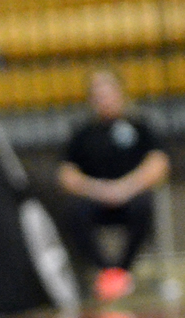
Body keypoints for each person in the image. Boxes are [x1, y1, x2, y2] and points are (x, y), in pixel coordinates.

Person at [58, 68, 172, 302]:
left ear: (120, 94)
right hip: (95, 199)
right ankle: (106, 270)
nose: (105, 100)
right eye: (99, 95)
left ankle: (122, 270)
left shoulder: (140, 127)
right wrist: (98, 189)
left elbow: (159, 163)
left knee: (144, 205)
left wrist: (126, 188)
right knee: (73, 211)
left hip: (131, 197)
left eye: (109, 94)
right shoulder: (82, 134)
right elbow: (66, 174)